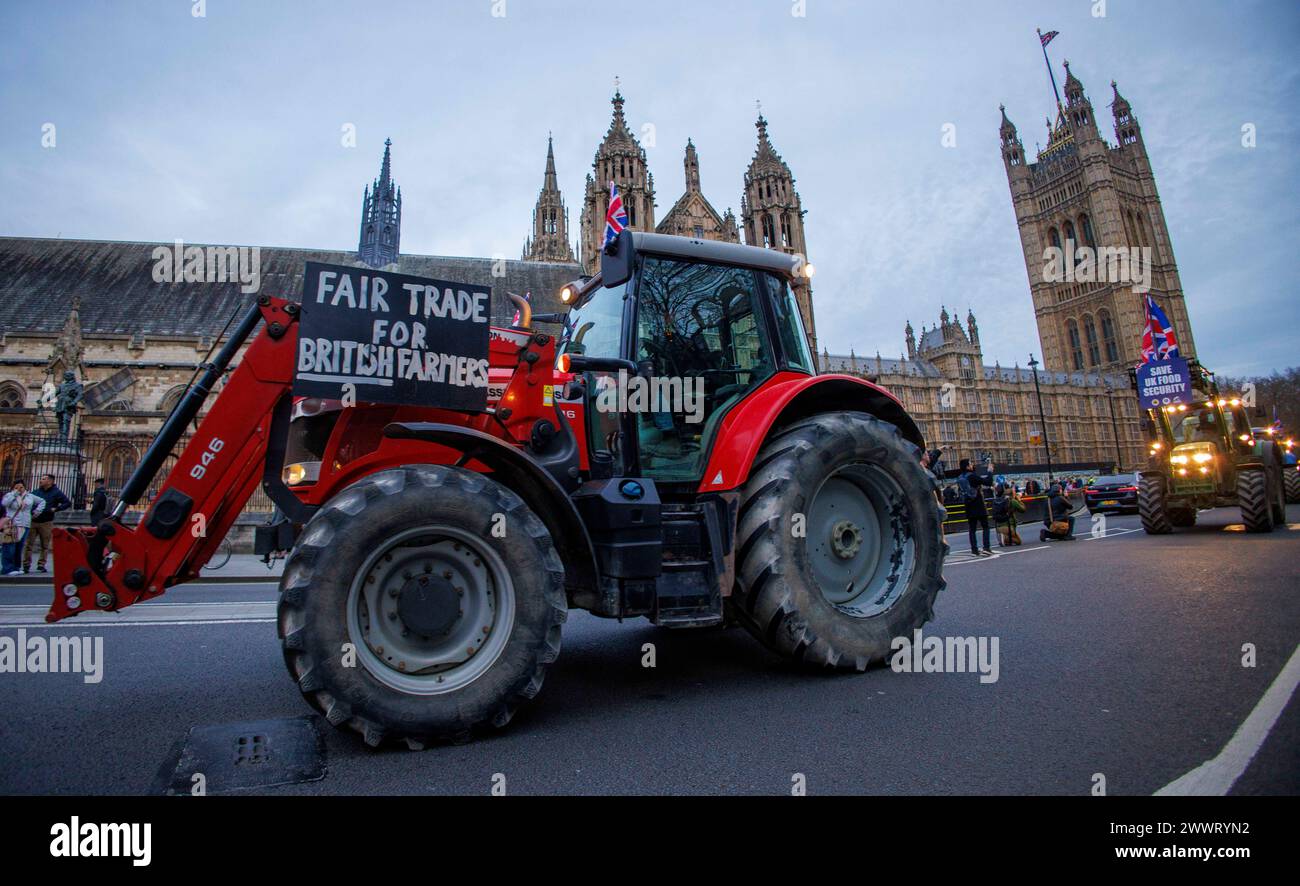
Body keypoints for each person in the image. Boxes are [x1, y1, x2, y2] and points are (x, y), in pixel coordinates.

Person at [27, 474, 71, 573]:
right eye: (41, 479)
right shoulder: (36, 492)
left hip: (46, 522)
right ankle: (26, 564)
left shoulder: (56, 492)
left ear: (50, 481)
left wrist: (57, 508)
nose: (40, 481)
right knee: (29, 544)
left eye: (43, 479)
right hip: (33, 521)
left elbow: (67, 502)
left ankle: (41, 564)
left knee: (45, 545)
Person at [1, 481, 45, 575]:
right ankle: (7, 568)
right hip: (12, 525)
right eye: (17, 487)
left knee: (19, 547)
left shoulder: (30, 496)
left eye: (21, 487)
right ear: (13, 487)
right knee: (9, 547)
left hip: (25, 525)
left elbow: (42, 501)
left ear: (25, 487)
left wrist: (37, 511)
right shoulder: (9, 495)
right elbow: (5, 503)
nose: (19, 489)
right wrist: (15, 494)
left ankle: (16, 567)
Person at [958, 458, 995, 557]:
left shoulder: (960, 478)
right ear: (967, 466)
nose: (972, 465)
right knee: (985, 526)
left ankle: (974, 549)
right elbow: (988, 482)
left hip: (968, 505)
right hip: (978, 504)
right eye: (970, 463)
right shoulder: (972, 476)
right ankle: (986, 547)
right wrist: (990, 472)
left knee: (972, 529)